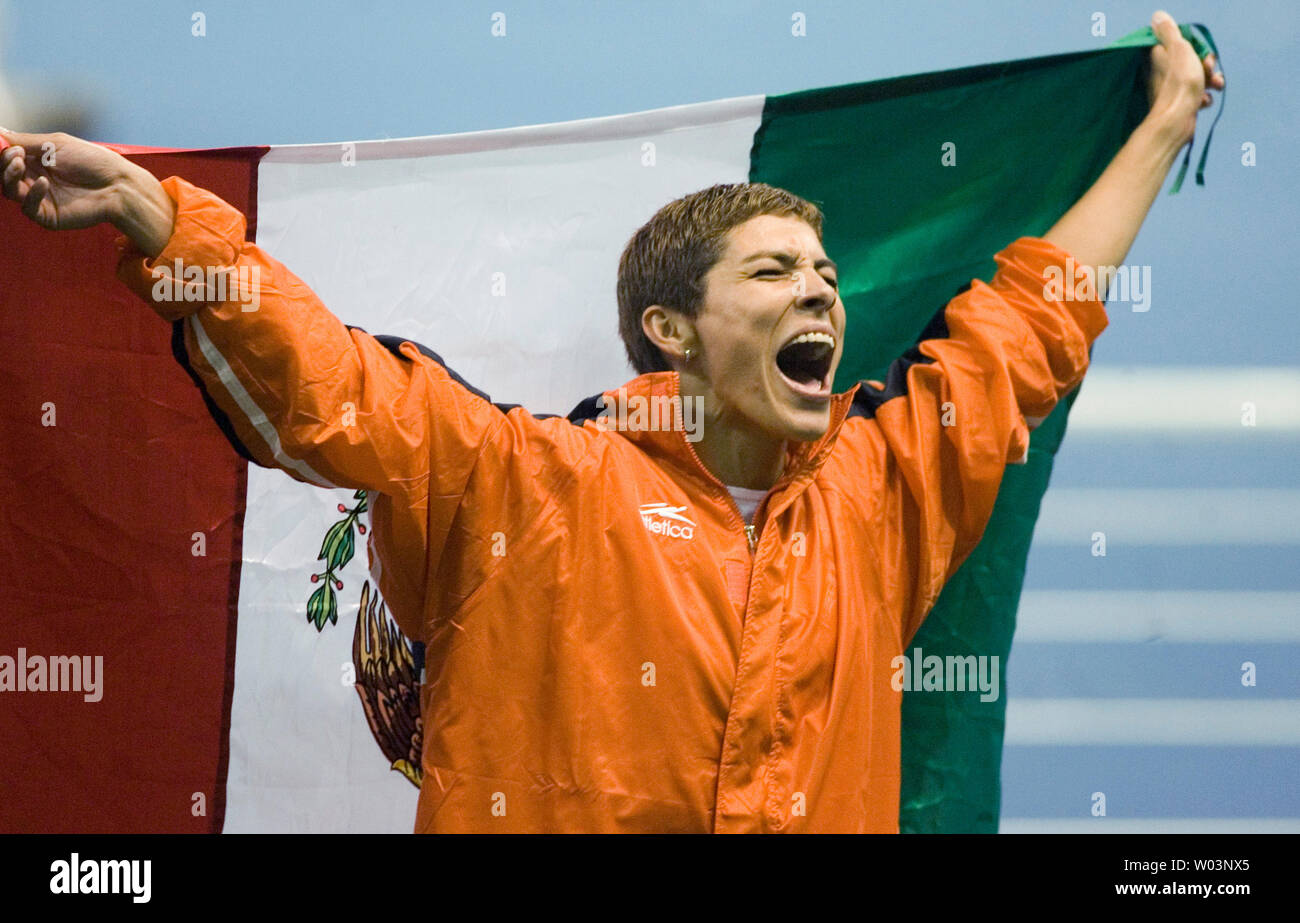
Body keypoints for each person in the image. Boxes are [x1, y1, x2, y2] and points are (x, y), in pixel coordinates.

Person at [0, 11, 1222, 833]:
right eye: (772, 271)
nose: (818, 288)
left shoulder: (881, 496)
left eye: (827, 273)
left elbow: (1024, 330)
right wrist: (168, 223)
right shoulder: (520, 478)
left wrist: (1161, 127)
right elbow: (330, 386)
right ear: (671, 329)